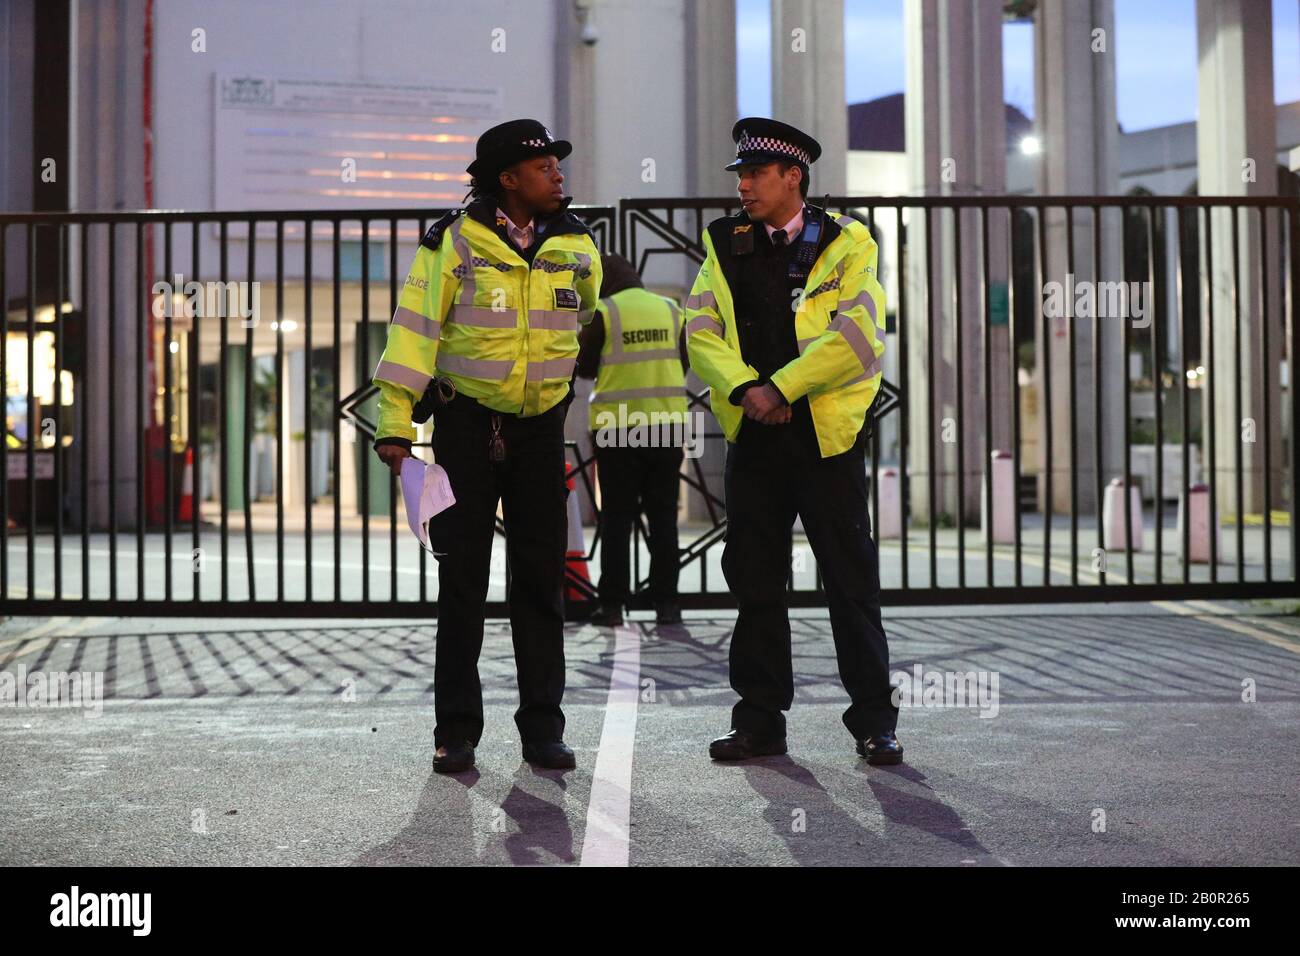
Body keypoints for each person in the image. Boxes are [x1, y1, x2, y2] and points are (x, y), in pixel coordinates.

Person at [371, 119, 603, 774]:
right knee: (462, 583)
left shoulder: (577, 243)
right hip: (465, 430)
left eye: (559, 165)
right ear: (508, 178)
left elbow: (582, 313)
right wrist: (394, 424)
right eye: (543, 167)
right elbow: (415, 330)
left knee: (540, 583)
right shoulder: (452, 241)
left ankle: (543, 731)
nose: (558, 174)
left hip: (539, 433)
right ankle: (457, 732)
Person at [684, 117, 902, 765]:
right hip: (755, 435)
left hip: (825, 438)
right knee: (755, 580)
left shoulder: (848, 242)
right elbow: (701, 330)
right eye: (741, 175)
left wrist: (779, 388)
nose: (743, 186)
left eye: (754, 174)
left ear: (792, 177)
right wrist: (749, 390)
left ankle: (873, 720)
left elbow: (858, 336)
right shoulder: (725, 242)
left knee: (849, 579)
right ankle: (759, 720)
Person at [575, 253, 689, 627]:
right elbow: (685, 360)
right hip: (666, 426)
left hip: (619, 430)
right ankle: (667, 604)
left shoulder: (605, 312)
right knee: (664, 519)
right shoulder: (671, 309)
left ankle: (611, 607)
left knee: (618, 520)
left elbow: (585, 367)